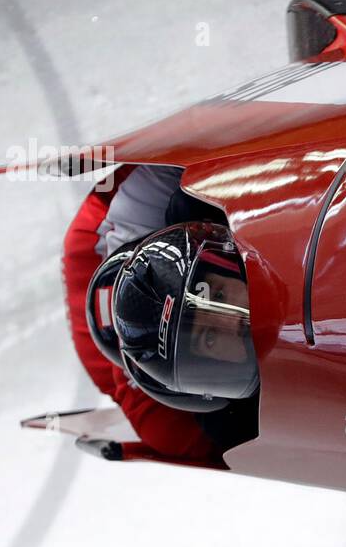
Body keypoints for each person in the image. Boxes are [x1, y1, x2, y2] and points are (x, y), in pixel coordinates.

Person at [64, 165, 258, 463]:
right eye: (209, 337)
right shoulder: (164, 421)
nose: (236, 319)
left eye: (216, 295)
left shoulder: (139, 203)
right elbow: (238, 445)